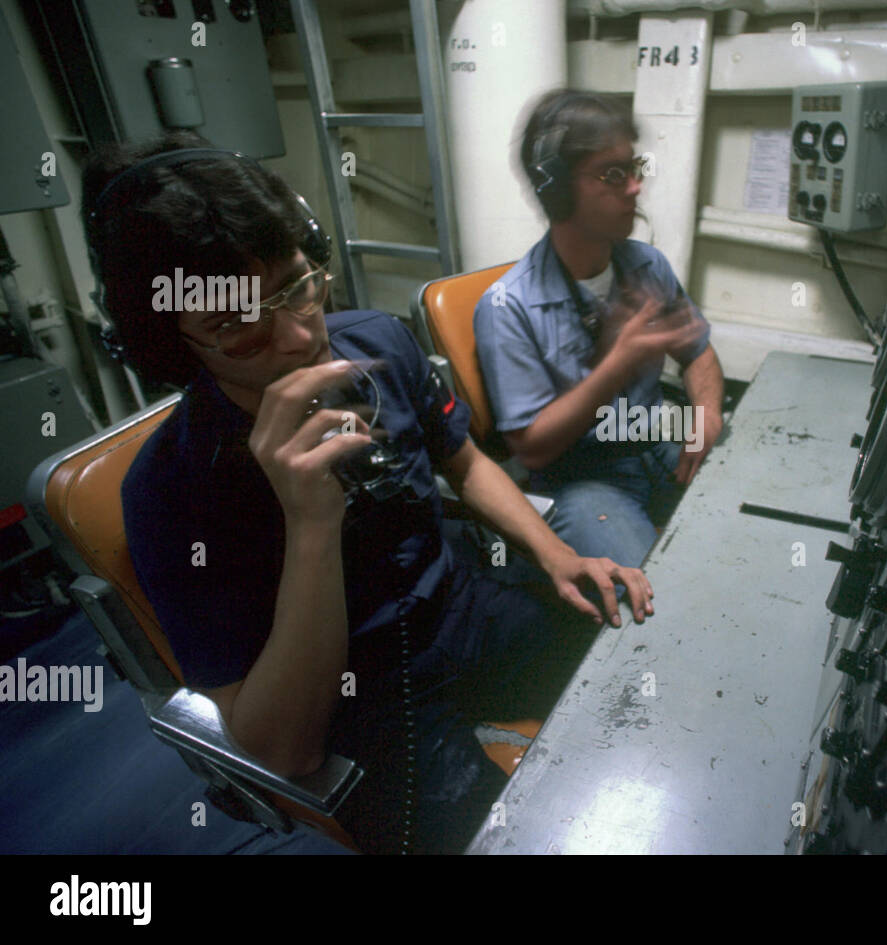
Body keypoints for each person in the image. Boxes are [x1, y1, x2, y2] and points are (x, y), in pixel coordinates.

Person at [82, 132, 653, 854]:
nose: (295, 337)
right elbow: (282, 750)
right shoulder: (171, 492)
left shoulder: (379, 339)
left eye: (296, 287)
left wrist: (553, 553)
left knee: (635, 667)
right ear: (171, 343)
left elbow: (466, 462)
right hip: (361, 700)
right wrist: (311, 522)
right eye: (236, 327)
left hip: (462, 606)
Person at [474, 89, 726, 568]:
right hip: (585, 479)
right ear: (558, 189)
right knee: (652, 598)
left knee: (741, 529)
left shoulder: (647, 265)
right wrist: (617, 364)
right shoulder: (508, 308)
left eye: (636, 170)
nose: (634, 187)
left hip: (657, 438)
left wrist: (708, 413)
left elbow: (699, 352)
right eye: (613, 175)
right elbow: (532, 448)